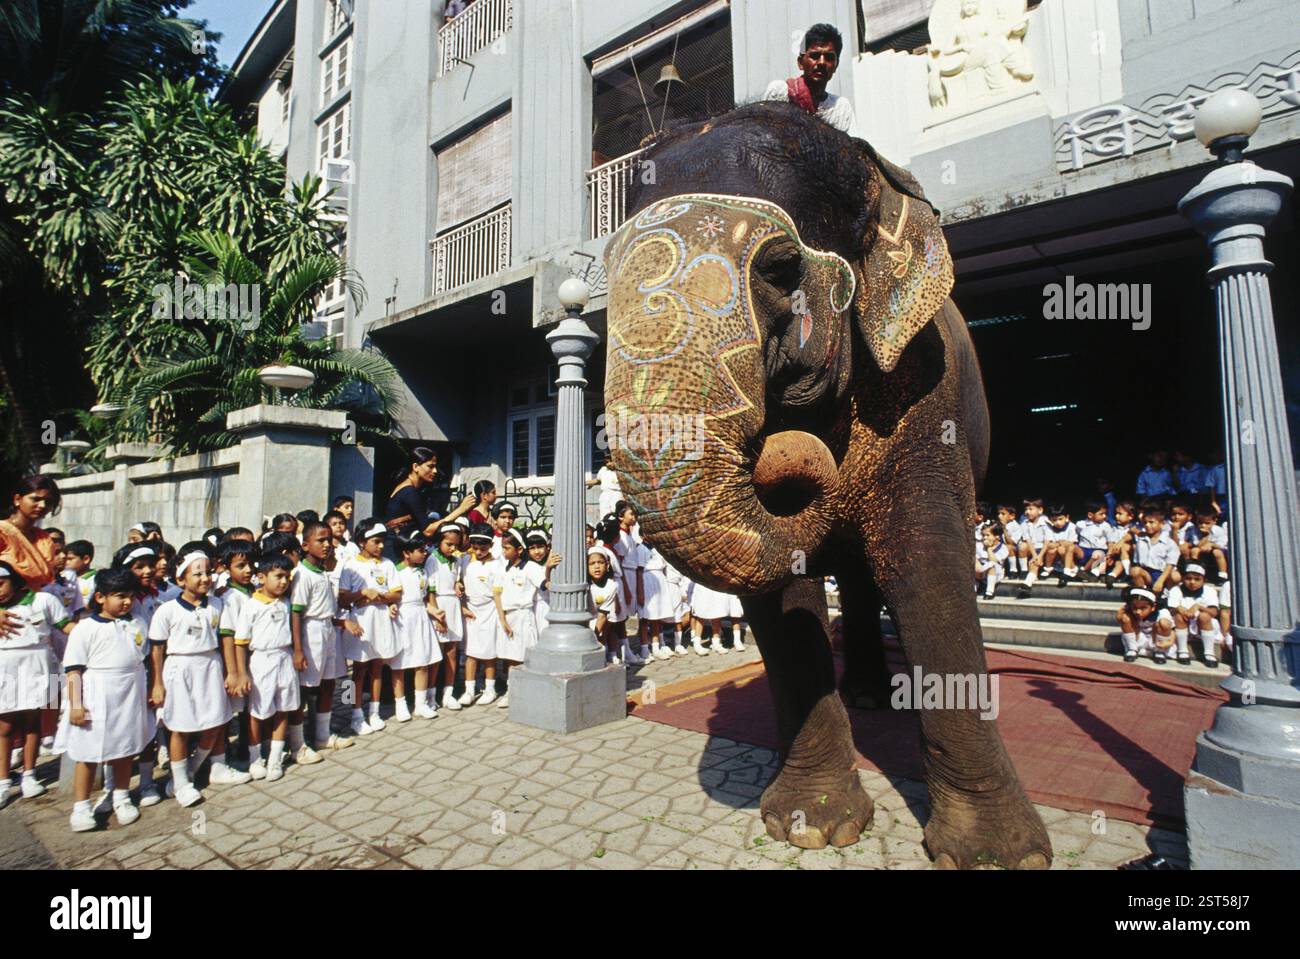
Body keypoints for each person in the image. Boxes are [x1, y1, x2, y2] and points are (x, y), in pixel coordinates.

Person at [148, 545, 245, 806]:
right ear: (181, 579)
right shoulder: (167, 610)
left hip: (210, 666)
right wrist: (157, 683)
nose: (205, 579)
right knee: (180, 727)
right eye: (197, 574)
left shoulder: (217, 604)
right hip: (180, 669)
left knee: (216, 722)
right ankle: (180, 782)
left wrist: (232, 672)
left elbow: (227, 639)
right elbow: (157, 649)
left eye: (209, 573)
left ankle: (196, 768)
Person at [62, 568, 152, 832]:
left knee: (125, 749)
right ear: (100, 597)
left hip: (130, 693)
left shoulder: (137, 622)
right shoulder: (85, 629)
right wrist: (76, 704)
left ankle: (121, 796)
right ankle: (81, 806)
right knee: (89, 753)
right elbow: (74, 670)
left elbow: (142, 656)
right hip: (98, 695)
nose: (127, 602)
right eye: (120, 596)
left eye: (131, 596)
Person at [0, 562, 70, 807]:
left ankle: (30, 774)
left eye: (1, 584)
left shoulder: (43, 601)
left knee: (32, 722)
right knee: (5, 726)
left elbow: (67, 627)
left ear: (15, 580)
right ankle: (3, 781)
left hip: (37, 665)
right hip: (4, 667)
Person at [234, 552, 299, 782]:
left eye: (287, 577)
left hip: (285, 657)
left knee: (283, 708)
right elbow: (240, 642)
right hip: (262, 661)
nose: (284, 581)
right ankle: (254, 758)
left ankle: (275, 758)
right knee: (257, 712)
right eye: (278, 576)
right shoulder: (251, 605)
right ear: (261, 577)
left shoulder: (287, 602)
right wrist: (242, 673)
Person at [292, 522, 356, 751]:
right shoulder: (302, 574)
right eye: (321, 540)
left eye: (329, 540)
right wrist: (298, 649)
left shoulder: (324, 572)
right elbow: (297, 613)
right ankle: (298, 743)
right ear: (306, 544)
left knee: (329, 683)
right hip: (311, 633)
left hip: (328, 630)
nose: (327, 545)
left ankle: (322, 735)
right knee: (305, 688)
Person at [338, 520, 401, 735]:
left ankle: (373, 712)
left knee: (377, 666)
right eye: (376, 541)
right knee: (357, 670)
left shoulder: (387, 564)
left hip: (381, 621)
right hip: (361, 623)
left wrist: (380, 596)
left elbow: (397, 593)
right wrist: (363, 593)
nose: (381, 546)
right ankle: (353, 713)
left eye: (383, 541)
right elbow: (343, 598)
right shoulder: (350, 565)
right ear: (363, 542)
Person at [496, 529, 556, 709]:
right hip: (509, 617)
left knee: (525, 656)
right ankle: (511, 689)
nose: (503, 551)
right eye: (503, 547)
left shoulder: (530, 568)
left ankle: (530, 690)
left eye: (507, 548)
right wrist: (503, 619)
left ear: (519, 549)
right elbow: (497, 594)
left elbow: (545, 584)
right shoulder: (504, 568)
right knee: (510, 657)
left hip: (524, 616)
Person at [761, 23, 857, 134]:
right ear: (800, 62)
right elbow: (764, 136)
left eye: (829, 57)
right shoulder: (780, 92)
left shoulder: (841, 108)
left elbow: (852, 149)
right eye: (814, 56)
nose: (821, 62)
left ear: (836, 65)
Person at [391, 532, 442, 721]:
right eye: (420, 550)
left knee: (422, 662)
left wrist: (435, 613)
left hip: (420, 617)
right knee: (400, 664)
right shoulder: (395, 572)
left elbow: (422, 600)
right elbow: (392, 598)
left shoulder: (423, 571)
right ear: (406, 553)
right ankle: (401, 704)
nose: (425, 553)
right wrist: (391, 607)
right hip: (403, 619)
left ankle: (421, 704)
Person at [217, 539, 257, 767]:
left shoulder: (253, 591)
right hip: (239, 663)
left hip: (254, 659)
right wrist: (234, 672)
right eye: (240, 566)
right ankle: (227, 755)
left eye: (250, 564)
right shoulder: (230, 597)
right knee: (235, 708)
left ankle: (248, 746)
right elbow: (228, 636)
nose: (248, 570)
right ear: (226, 567)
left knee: (249, 707)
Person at [459, 525, 504, 706]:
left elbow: (498, 593)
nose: (478, 552)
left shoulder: (497, 565)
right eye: (475, 548)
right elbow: (459, 584)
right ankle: (469, 690)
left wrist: (501, 617)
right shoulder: (465, 561)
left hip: (490, 610)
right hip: (471, 610)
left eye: (483, 548)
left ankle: (490, 688)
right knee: (471, 652)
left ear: (491, 545)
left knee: (488, 652)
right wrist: (463, 606)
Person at [426, 523, 466, 712]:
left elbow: (456, 580)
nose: (452, 548)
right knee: (436, 654)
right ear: (439, 541)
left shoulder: (456, 561)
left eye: (455, 545)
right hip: (439, 607)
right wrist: (437, 616)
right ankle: (430, 695)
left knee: (452, 651)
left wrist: (458, 584)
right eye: (449, 544)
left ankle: (448, 694)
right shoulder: (432, 560)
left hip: (453, 606)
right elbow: (430, 591)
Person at [1165, 563, 1220, 667]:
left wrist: (1198, 607)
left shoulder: (1209, 591)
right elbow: (1173, 608)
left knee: (1204, 616)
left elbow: (1214, 612)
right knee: (1179, 616)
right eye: (1188, 578)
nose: (1192, 582)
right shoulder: (1176, 590)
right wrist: (1183, 611)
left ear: (1203, 579)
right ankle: (1183, 651)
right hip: (1183, 625)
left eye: (1197, 579)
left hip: (1203, 626)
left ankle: (1209, 653)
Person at [1129, 507, 1181, 596]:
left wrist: (1160, 581)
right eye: (1145, 523)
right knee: (1135, 570)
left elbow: (1170, 564)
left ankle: (1165, 595)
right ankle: (1144, 593)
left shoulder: (1169, 542)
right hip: (1147, 573)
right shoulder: (1141, 541)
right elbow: (1137, 562)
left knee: (1176, 576)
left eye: (1151, 522)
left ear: (1161, 524)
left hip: (1163, 573)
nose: (1147, 525)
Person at [1116, 587, 1174, 664]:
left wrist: (1169, 642)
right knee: (1125, 618)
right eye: (1135, 608)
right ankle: (1132, 648)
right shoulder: (1130, 611)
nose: (1138, 612)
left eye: (1143, 608)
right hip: (1138, 638)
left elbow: (1172, 630)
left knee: (1163, 623)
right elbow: (1122, 622)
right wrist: (1120, 615)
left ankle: (1159, 652)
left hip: (1156, 639)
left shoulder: (1162, 612)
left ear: (1153, 607)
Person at [587, 547, 620, 664]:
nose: (596, 566)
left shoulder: (612, 586)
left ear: (607, 566)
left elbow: (602, 616)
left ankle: (609, 653)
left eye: (600, 562)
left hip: (599, 620)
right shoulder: (585, 585)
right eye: (592, 563)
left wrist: (593, 639)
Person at [1014, 498, 1050, 597]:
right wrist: (1035, 556)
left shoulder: (1045, 522)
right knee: (1022, 546)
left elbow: (1047, 541)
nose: (1027, 512)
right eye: (1026, 509)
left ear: (1040, 510)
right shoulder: (1024, 523)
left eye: (1030, 509)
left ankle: (1027, 583)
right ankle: (1025, 572)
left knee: (1035, 563)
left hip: (1044, 550)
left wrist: (1040, 556)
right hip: (1033, 550)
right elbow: (1028, 541)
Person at [1188, 507, 1229, 584]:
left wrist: (1211, 544)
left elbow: (1222, 545)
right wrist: (1206, 536)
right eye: (1200, 523)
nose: (1203, 525)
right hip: (1202, 549)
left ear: (1214, 521)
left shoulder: (1218, 530)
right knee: (1194, 551)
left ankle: (1222, 576)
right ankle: (1195, 572)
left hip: (1216, 550)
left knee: (1217, 552)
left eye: (1207, 523)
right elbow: (1196, 544)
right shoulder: (1194, 530)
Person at [1074, 500, 1111, 581]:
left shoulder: (1105, 526)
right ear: (1090, 515)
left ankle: (1083, 571)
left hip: (1099, 551)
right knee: (1072, 548)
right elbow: (1075, 537)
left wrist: (1109, 553)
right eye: (1101, 514)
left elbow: (1110, 541)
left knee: (1098, 555)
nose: (1104, 516)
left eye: (1105, 514)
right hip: (1085, 551)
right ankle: (1070, 569)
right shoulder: (1080, 524)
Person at [974, 524, 1007, 600]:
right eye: (983, 535)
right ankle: (975, 588)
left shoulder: (1003, 548)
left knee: (991, 565)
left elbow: (993, 560)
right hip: (980, 571)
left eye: (988, 535)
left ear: (997, 537)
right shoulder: (979, 546)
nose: (985, 537)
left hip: (995, 573)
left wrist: (989, 548)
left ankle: (990, 591)